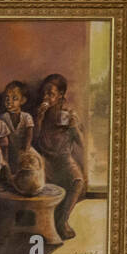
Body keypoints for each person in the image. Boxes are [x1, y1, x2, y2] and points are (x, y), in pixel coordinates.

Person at [32, 73, 87, 239]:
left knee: (78, 181)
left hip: (64, 159)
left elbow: (81, 144)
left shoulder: (69, 114)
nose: (46, 97)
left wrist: (74, 127)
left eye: (51, 94)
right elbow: (33, 140)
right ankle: (45, 222)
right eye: (44, 93)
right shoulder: (39, 113)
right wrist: (39, 118)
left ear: (61, 95)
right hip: (44, 159)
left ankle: (62, 221)